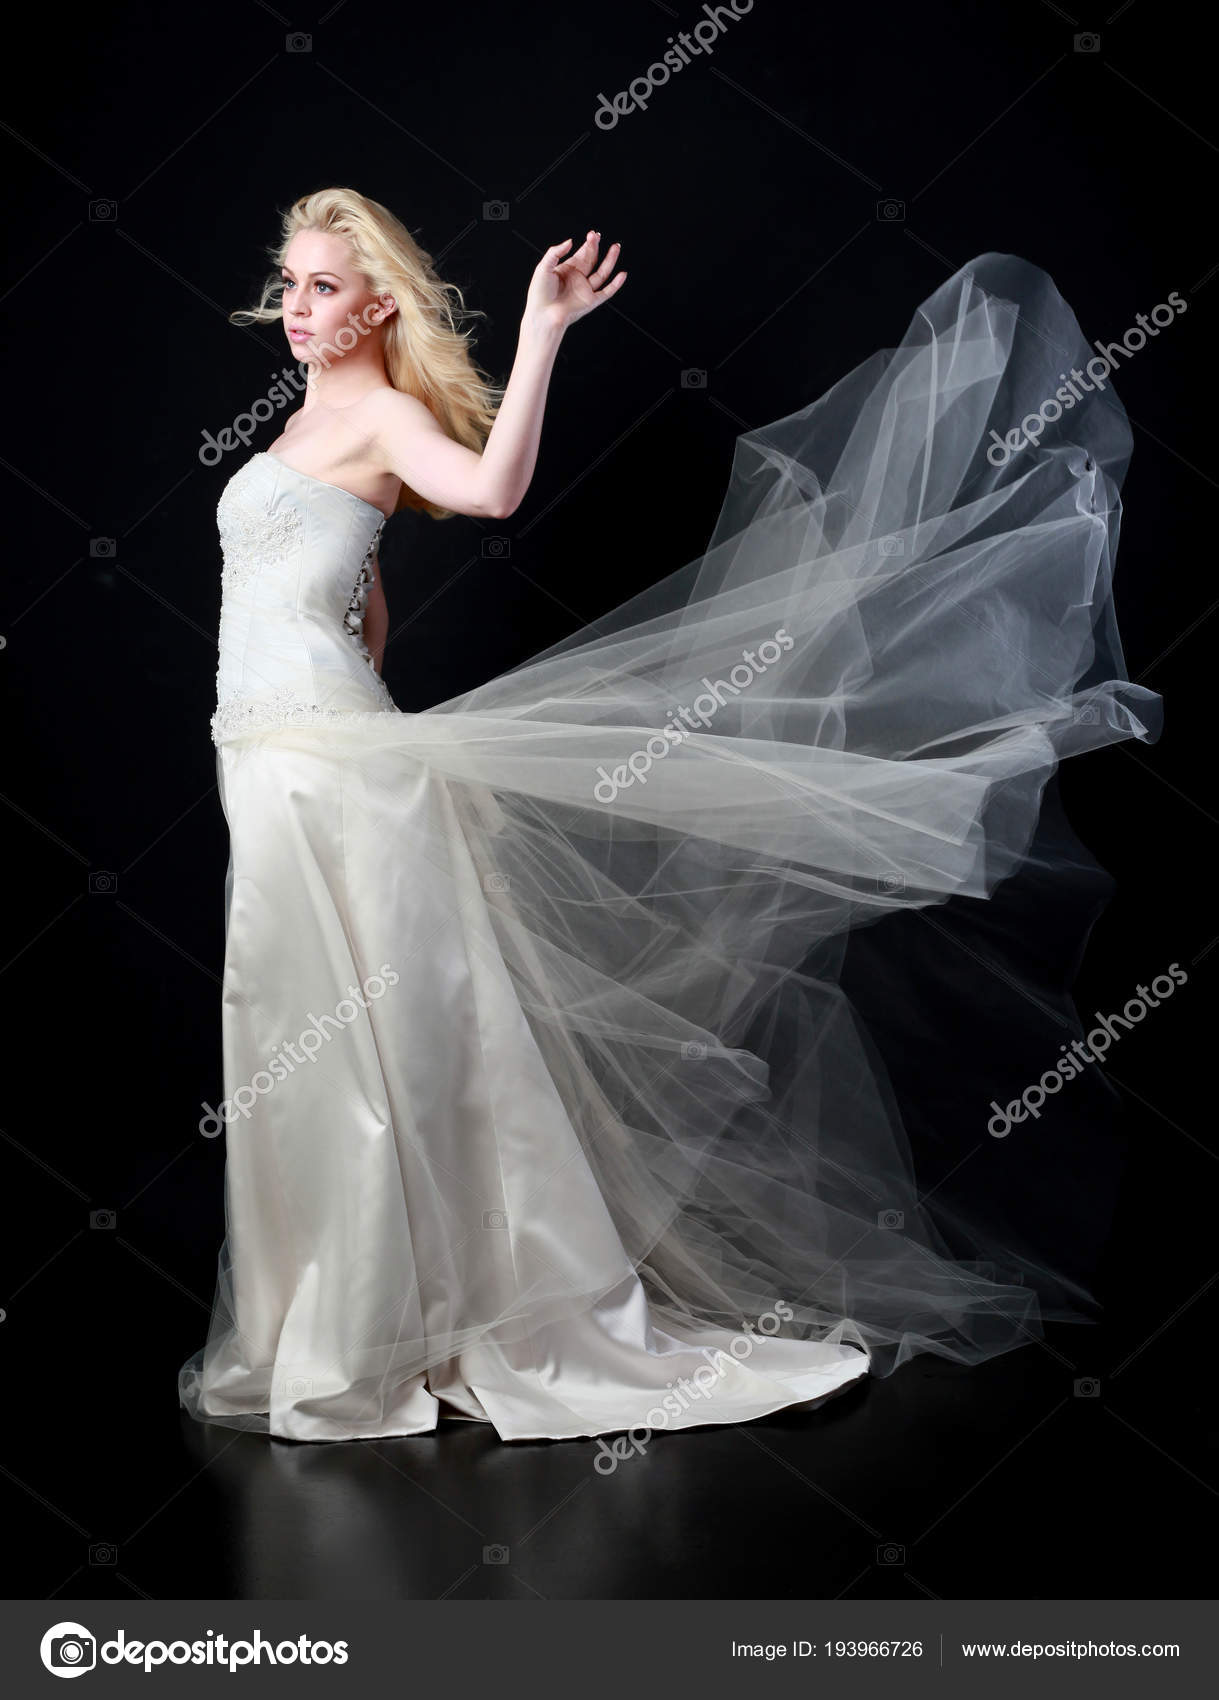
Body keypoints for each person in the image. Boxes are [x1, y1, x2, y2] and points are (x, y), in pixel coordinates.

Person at [178, 187, 1162, 1443]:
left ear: (376, 304)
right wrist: (339, 631)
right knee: (294, 1034)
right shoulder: (308, 419)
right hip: (264, 753)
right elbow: (348, 600)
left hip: (330, 768)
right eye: (293, 282)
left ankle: (393, 1328)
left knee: (390, 1044)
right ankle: (321, 1322)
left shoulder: (381, 412)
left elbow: (488, 494)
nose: (297, 307)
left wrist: (540, 334)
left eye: (323, 286)